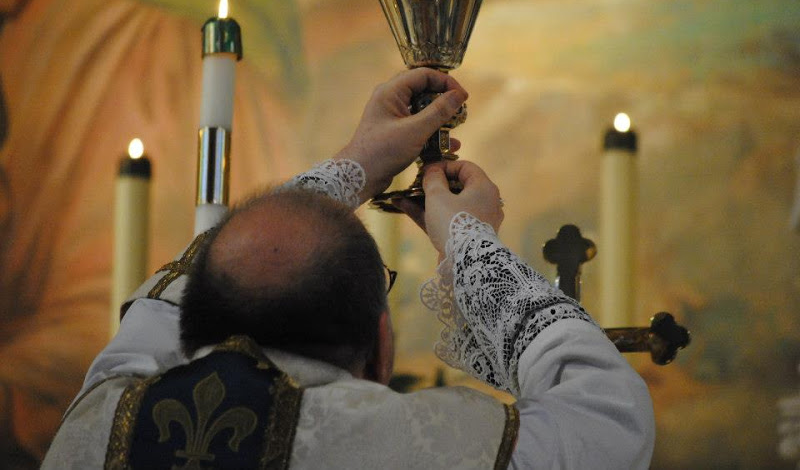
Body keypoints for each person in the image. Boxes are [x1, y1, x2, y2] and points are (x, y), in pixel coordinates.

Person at [42, 68, 655, 469]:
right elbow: (611, 413)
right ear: (380, 348)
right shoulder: (410, 453)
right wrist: (470, 242)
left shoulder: (101, 426)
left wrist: (356, 162)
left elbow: (160, 299)